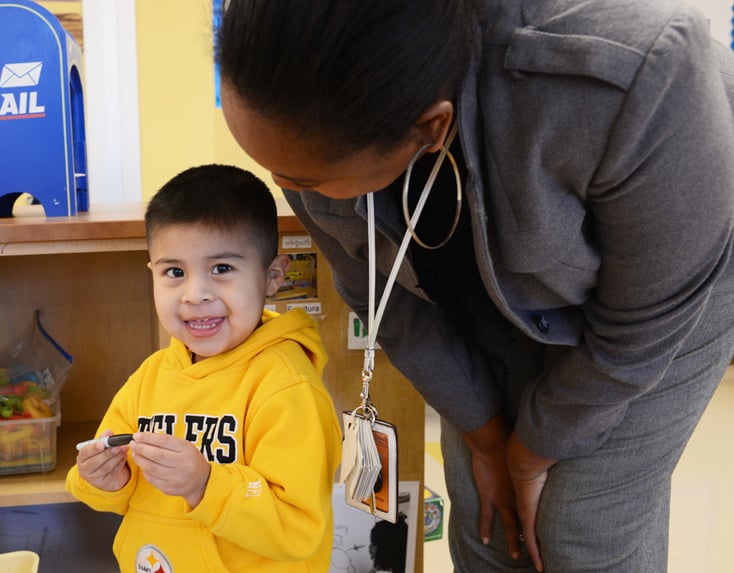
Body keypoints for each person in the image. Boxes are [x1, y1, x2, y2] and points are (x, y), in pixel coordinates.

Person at [215, 1, 734, 572]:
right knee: (483, 507)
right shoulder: (299, 102)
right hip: (499, 281)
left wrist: (533, 449)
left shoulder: (630, 78)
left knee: (575, 523)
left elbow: (639, 329)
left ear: (430, 128)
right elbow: (380, 297)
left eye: (305, 178)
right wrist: (488, 439)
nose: (283, 185)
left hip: (669, 290)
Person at [65, 164, 342, 572]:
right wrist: (104, 480)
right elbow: (122, 489)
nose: (195, 295)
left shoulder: (286, 387)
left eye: (222, 269)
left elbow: (299, 528)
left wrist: (204, 485)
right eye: (174, 272)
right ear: (152, 273)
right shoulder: (152, 375)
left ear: (272, 277)